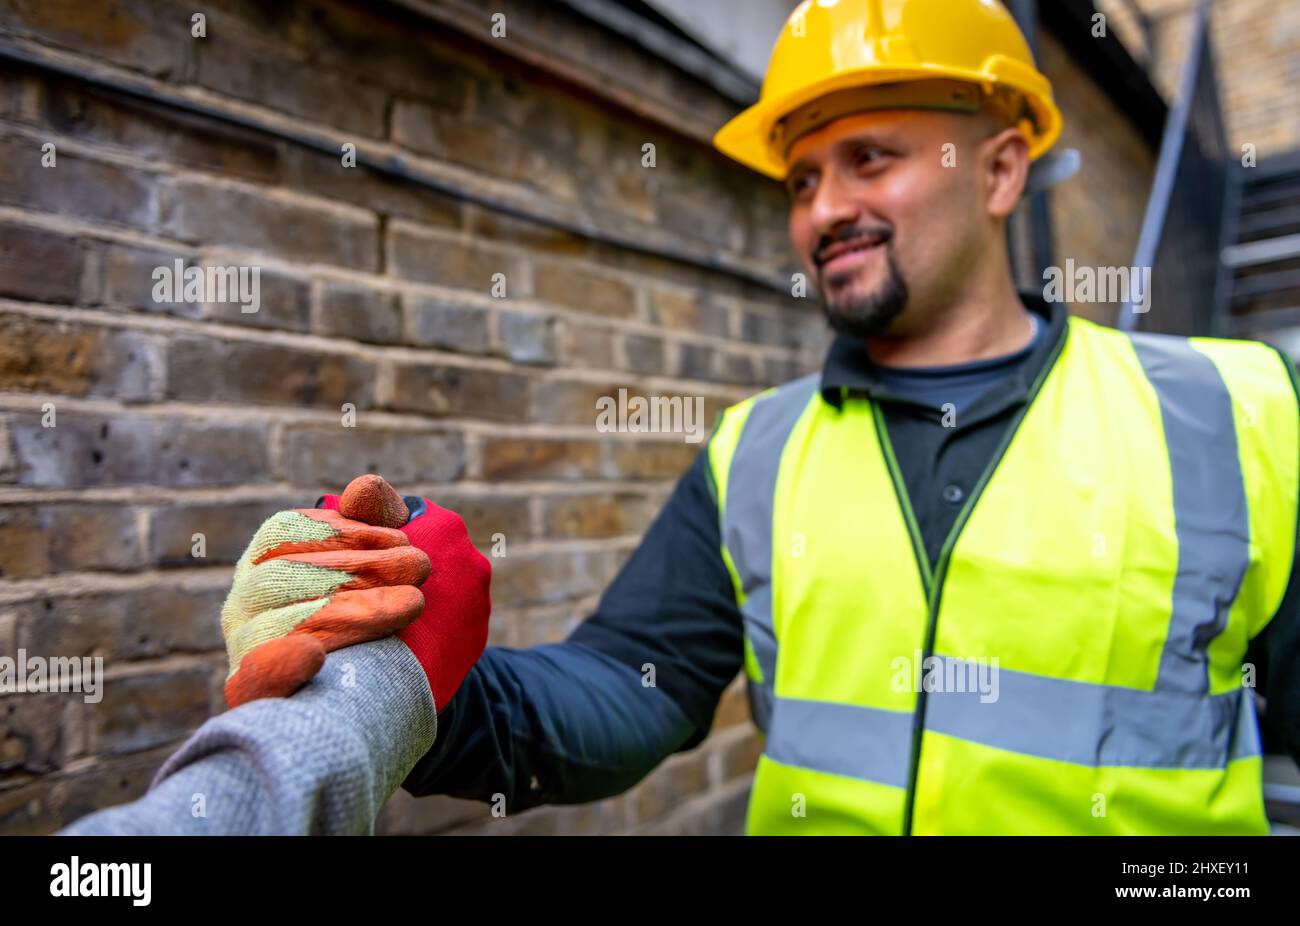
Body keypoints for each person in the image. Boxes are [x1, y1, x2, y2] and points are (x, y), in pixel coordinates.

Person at [65, 0, 1300, 836]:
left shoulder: (1231, 412)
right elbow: (631, 688)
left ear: (997, 169)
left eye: (869, 157)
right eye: (803, 177)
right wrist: (432, 686)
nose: (824, 208)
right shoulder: (757, 451)